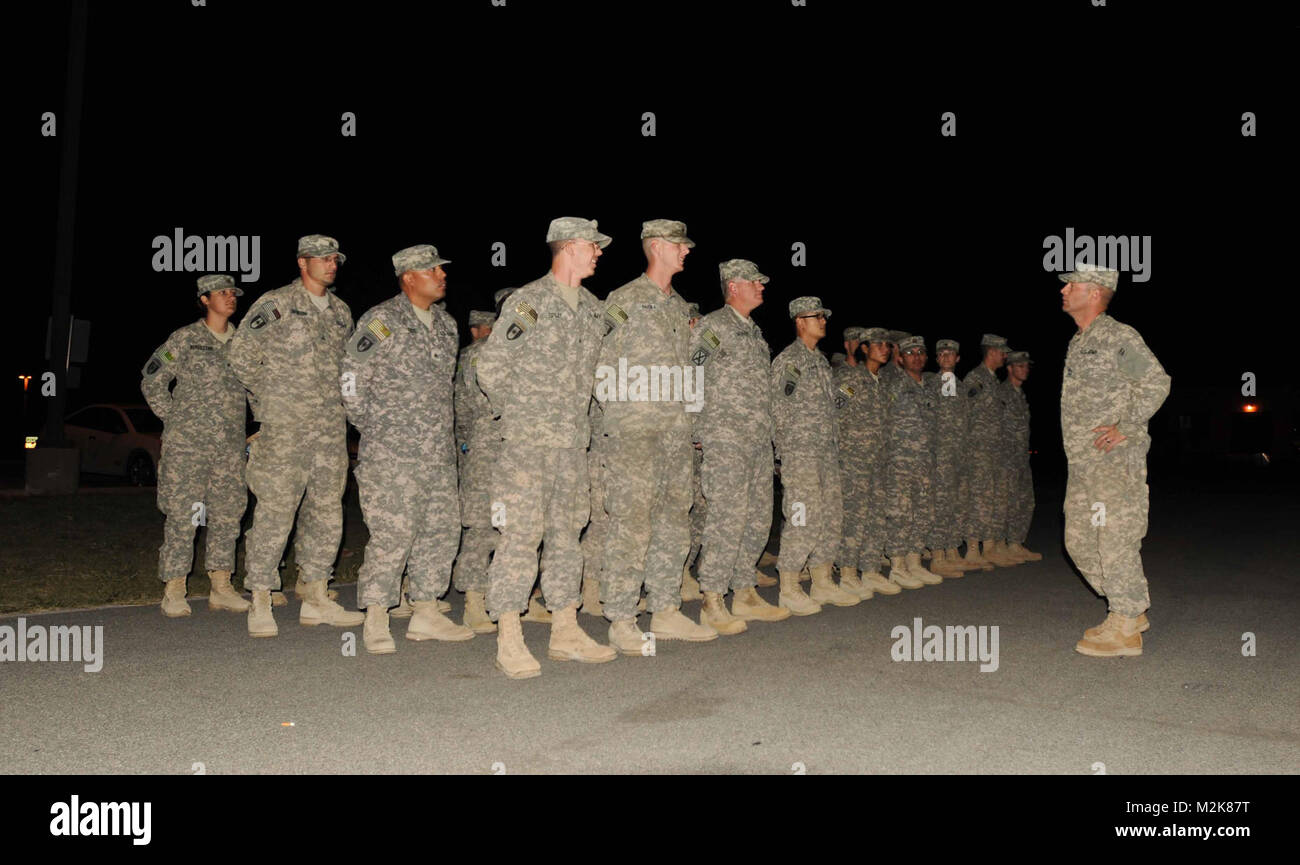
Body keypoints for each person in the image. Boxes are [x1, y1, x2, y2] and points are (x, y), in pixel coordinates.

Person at [476, 217, 619, 678]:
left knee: (566, 535)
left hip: (572, 446)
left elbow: (596, 378)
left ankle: (565, 629)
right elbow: (492, 366)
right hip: (528, 445)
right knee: (520, 535)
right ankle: (510, 634)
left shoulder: (595, 310)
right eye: (593, 246)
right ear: (570, 247)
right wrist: (518, 418)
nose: (599, 253)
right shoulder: (530, 301)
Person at [341, 245, 475, 653]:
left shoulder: (447, 325)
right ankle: (377, 615)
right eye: (431, 269)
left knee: (441, 530)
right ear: (408, 277)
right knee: (393, 533)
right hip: (392, 454)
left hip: (438, 453)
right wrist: (377, 428)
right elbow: (350, 378)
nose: (441, 274)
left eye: (440, 268)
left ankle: (426, 612)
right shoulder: (382, 321)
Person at [228, 235, 363, 637]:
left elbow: (348, 369)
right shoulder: (277, 304)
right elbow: (240, 353)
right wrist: (269, 400)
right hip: (286, 428)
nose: (331, 264)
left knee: (326, 510)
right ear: (303, 262)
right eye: (322, 258)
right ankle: (260, 599)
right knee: (276, 510)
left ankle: (317, 595)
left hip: (329, 429)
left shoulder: (341, 311)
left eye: (335, 258)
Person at [596, 219, 717, 650]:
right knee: (631, 520)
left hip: (674, 433)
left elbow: (688, 373)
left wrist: (692, 421)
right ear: (656, 247)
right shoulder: (624, 299)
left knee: (673, 518)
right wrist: (620, 419)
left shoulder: (679, 306)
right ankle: (622, 616)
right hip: (635, 432)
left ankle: (665, 608)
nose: (686, 251)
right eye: (680, 245)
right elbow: (600, 361)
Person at [1059, 264, 1169, 657]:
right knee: (1077, 541)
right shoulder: (1080, 340)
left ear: (1094, 292)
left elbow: (1157, 381)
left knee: (1113, 540)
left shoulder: (1119, 337)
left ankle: (1125, 624)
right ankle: (1129, 606)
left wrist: (1126, 425)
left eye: (1072, 284)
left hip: (1113, 462)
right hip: (1083, 464)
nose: (1064, 290)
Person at [141, 274, 251, 617]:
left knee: (227, 514)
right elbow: (152, 379)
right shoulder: (186, 339)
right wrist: (175, 420)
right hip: (188, 449)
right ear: (205, 299)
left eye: (233, 292)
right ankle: (174, 589)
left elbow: (257, 388)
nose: (230, 297)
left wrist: (261, 424)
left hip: (229, 450)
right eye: (222, 293)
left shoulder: (243, 343)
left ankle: (221, 586)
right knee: (187, 514)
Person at [690, 260, 790, 631]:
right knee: (727, 518)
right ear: (734, 286)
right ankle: (712, 598)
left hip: (756, 441)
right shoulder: (713, 327)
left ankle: (744, 590)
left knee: (757, 517)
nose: (762, 287)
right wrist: (698, 430)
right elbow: (692, 375)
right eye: (755, 282)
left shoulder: (755, 333)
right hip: (726, 438)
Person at [770, 297, 860, 613]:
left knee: (830, 517)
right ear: (800, 321)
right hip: (802, 456)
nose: (823, 320)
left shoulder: (820, 361)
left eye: (824, 316)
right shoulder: (789, 362)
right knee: (802, 518)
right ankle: (789, 587)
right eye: (816, 316)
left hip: (826, 454)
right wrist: (787, 454)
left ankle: (822, 581)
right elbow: (778, 409)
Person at [451, 300, 506, 635]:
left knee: (515, 528)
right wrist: (466, 448)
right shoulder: (477, 354)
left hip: (517, 450)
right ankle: (473, 601)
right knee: (482, 527)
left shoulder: (523, 350)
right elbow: (463, 408)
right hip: (486, 449)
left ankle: (510, 598)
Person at [884, 335, 943, 588]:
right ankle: (897, 567)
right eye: (910, 353)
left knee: (924, 514)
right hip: (900, 463)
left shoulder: (930, 387)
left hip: (925, 463)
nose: (916, 356)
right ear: (900, 358)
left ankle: (915, 563)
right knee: (901, 514)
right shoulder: (893, 386)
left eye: (920, 352)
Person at [960, 333, 1017, 569]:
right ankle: (973, 549)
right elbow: (963, 413)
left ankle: (990, 547)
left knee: (993, 498)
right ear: (992, 351)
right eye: (1003, 351)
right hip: (979, 452)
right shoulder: (976, 379)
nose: (1005, 356)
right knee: (978, 498)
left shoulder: (994, 381)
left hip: (996, 452)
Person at [926, 339, 977, 577]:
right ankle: (938, 555)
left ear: (958, 358)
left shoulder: (963, 387)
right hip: (940, 456)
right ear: (937, 359)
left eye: (951, 354)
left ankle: (952, 550)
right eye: (942, 354)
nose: (946, 357)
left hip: (960, 456)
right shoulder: (930, 384)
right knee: (940, 505)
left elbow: (968, 423)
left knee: (958, 504)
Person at [1000, 350, 1042, 562]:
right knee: (1008, 501)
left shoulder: (1020, 394)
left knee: (1026, 500)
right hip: (1005, 458)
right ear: (1009, 368)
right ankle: (1004, 545)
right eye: (1019, 366)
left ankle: (1016, 543)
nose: (1024, 370)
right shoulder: (1002, 394)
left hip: (1020, 458)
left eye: (1026, 366)